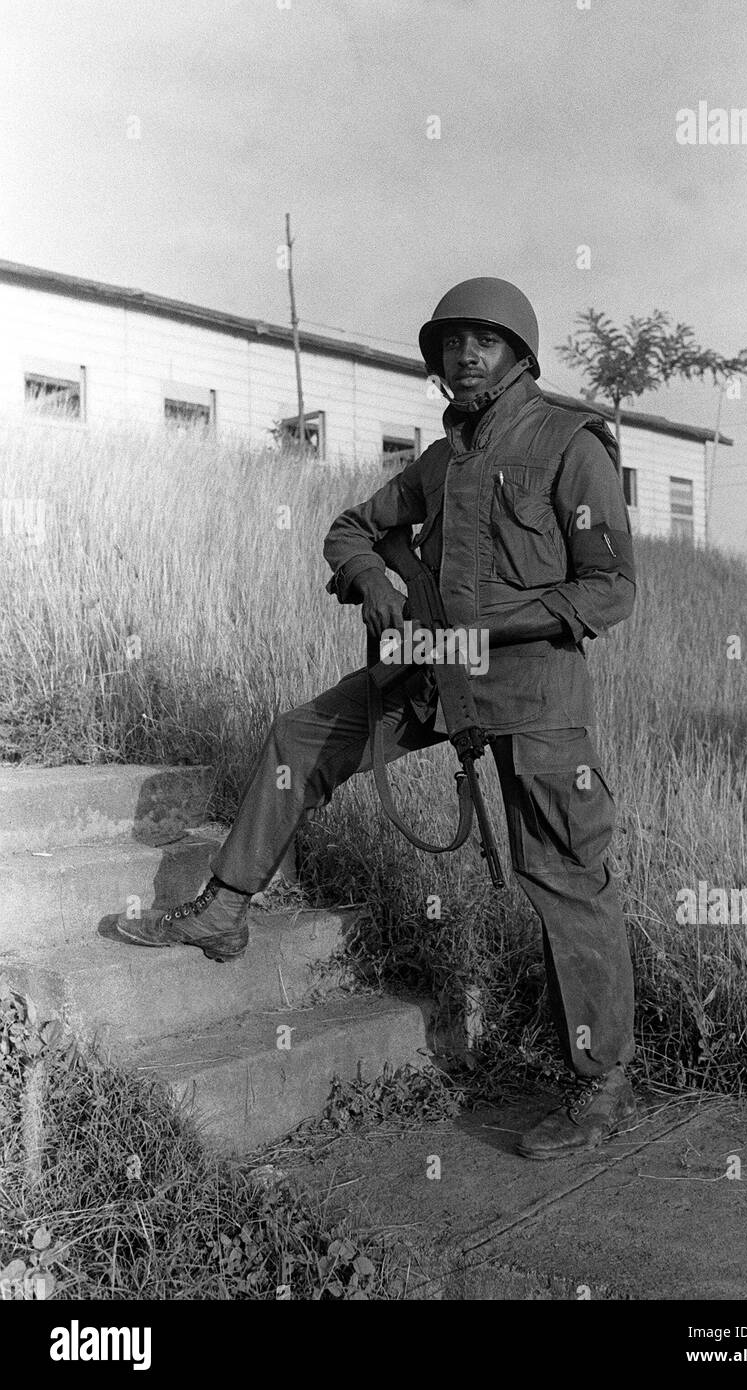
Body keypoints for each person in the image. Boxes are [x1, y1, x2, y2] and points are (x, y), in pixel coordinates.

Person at [117, 277, 638, 1159]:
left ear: (518, 355)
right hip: (434, 675)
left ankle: (601, 1089)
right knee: (300, 735)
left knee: (563, 882)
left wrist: (483, 626)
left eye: (484, 340)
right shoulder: (442, 463)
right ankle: (224, 908)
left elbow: (611, 588)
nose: (464, 355)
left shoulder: (567, 443)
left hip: (533, 695)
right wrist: (373, 581)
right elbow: (352, 526)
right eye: (451, 341)